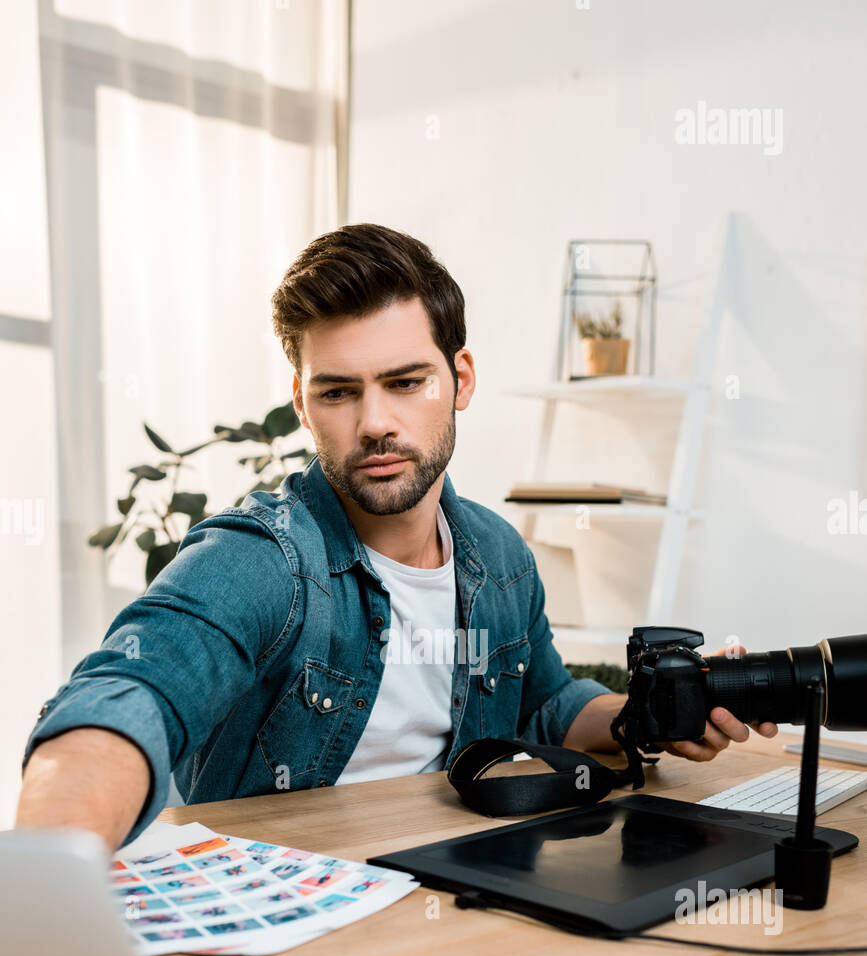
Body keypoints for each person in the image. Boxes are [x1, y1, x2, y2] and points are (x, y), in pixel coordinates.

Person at [15, 223, 777, 850]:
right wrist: (50, 897)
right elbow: (125, 697)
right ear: (303, 405)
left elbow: (545, 704)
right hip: (290, 917)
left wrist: (647, 715)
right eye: (339, 391)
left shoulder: (500, 559)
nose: (374, 421)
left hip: (460, 880)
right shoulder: (263, 559)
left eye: (406, 382)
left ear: (461, 380)